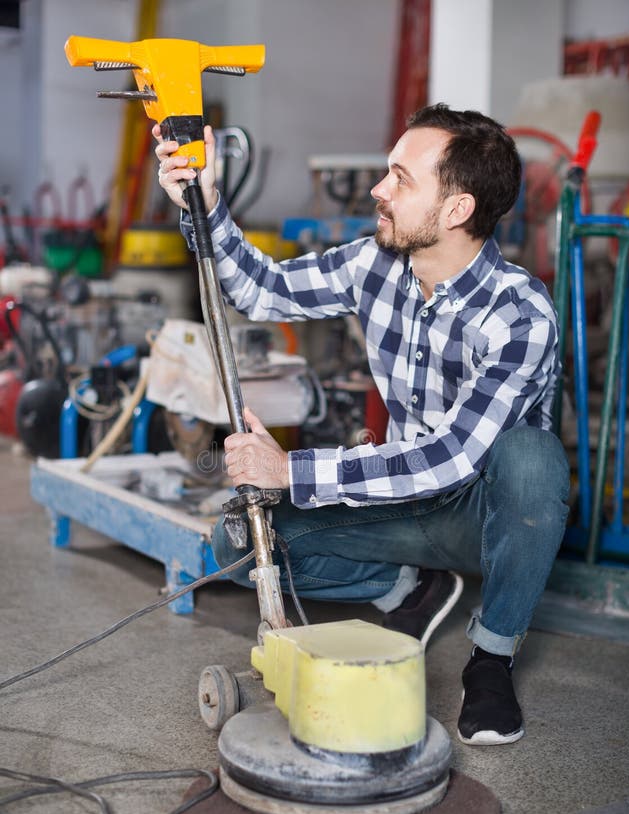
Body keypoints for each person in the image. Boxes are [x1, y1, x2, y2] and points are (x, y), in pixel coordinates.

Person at [154, 103, 570, 746]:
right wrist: (205, 204)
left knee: (533, 459)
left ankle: (491, 657)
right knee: (237, 544)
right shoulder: (375, 263)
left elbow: (452, 458)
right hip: (403, 504)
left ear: (456, 210)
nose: (379, 189)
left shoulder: (520, 313)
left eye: (401, 178)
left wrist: (290, 470)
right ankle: (410, 589)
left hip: (480, 513)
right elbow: (261, 290)